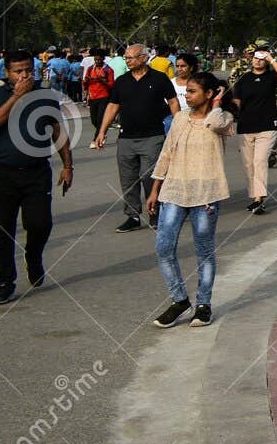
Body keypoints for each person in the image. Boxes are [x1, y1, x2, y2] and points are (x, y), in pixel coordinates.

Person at [146, 71, 234, 328]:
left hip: (206, 194)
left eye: (193, 91)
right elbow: (166, 153)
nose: (187, 95)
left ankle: (203, 304)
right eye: (187, 91)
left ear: (209, 93)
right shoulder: (179, 118)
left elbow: (216, 124)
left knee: (204, 251)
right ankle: (179, 299)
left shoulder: (222, 118)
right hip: (174, 191)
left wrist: (217, 102)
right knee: (163, 247)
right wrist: (154, 189)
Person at [0, 51, 74, 304]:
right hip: (2, 174)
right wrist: (17, 95)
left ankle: (34, 256)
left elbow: (57, 129)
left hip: (36, 173)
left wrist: (68, 165)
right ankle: (5, 281)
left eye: (28, 69)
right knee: (1, 233)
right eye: (18, 71)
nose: (25, 75)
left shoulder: (45, 95)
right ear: (6, 73)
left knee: (40, 224)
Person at [92, 43, 180, 231]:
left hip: (153, 137)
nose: (128, 61)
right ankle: (132, 216)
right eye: (126, 58)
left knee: (150, 177)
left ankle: (155, 213)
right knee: (128, 179)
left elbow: (173, 101)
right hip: (126, 139)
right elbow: (113, 106)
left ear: (144, 58)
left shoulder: (159, 79)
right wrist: (102, 131)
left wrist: (178, 126)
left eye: (131, 57)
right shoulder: (122, 81)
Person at [227, 49, 277, 216]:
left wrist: (271, 59)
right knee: (249, 165)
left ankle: (259, 200)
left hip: (267, 126)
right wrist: (229, 119)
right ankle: (255, 196)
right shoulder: (243, 79)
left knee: (260, 161)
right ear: (251, 59)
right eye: (256, 58)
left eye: (262, 59)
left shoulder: (270, 77)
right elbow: (236, 102)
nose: (258, 61)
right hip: (246, 127)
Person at [82, 48, 114, 135]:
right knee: (93, 120)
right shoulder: (90, 69)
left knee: (100, 119)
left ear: (103, 59)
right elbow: (85, 83)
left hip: (104, 97)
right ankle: (102, 132)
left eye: (99, 59)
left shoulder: (108, 70)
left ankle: (96, 138)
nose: (97, 61)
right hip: (92, 97)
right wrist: (86, 81)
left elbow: (111, 85)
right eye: (95, 59)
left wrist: (103, 81)